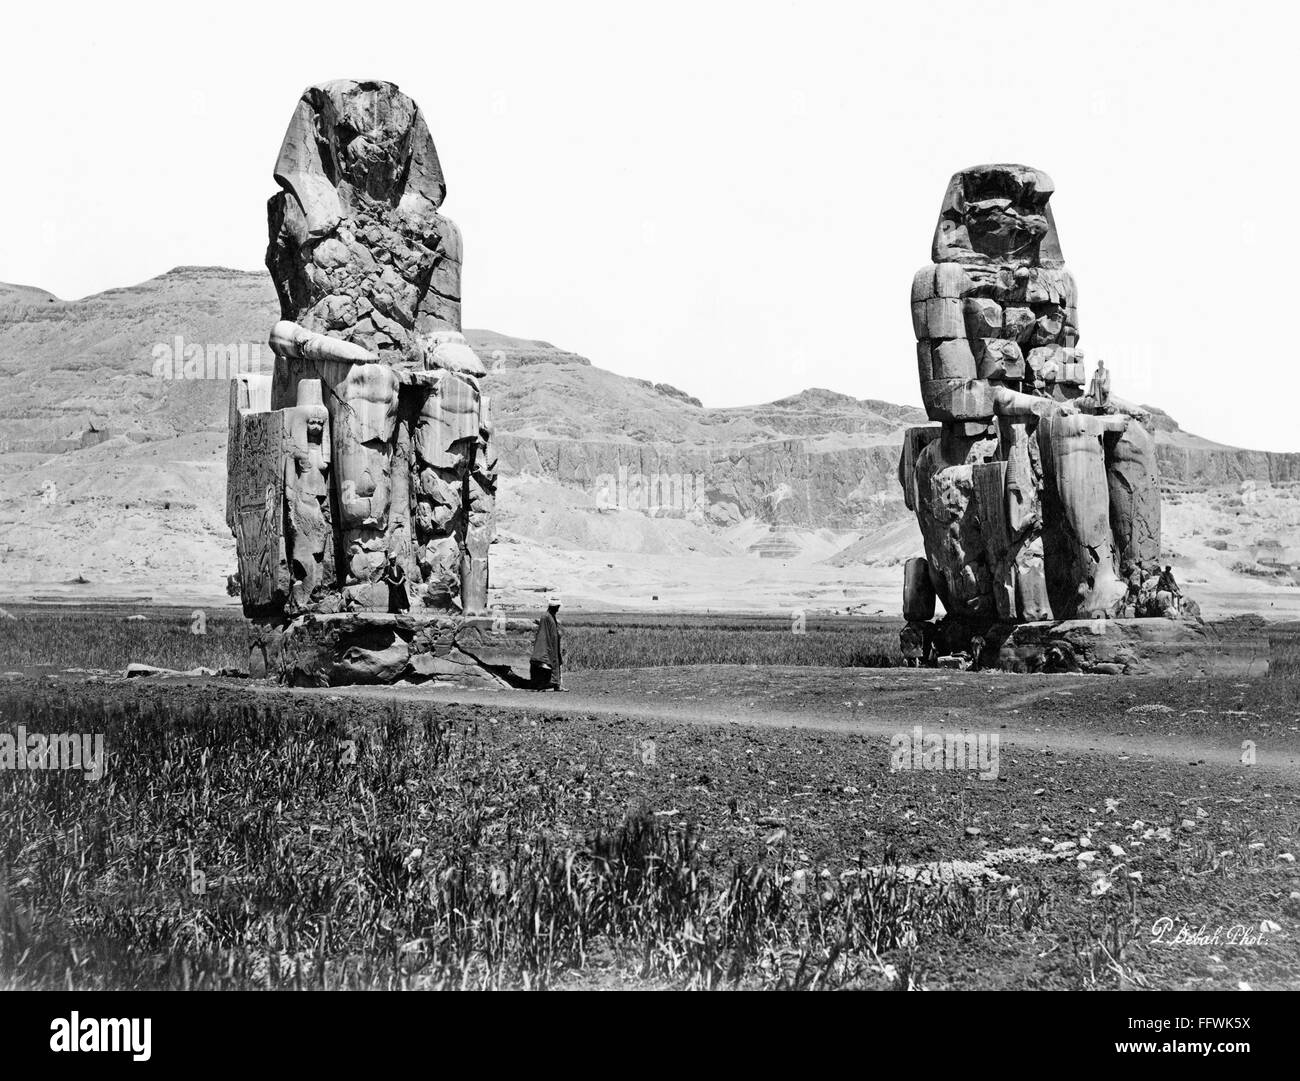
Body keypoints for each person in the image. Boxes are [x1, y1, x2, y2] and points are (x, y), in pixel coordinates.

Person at [530, 596, 563, 690]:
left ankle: (556, 685)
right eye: (557, 607)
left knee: (555, 662)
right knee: (545, 665)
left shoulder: (551, 616)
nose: (558, 609)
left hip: (553, 645)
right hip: (548, 645)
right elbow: (543, 633)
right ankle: (544, 685)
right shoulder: (546, 616)